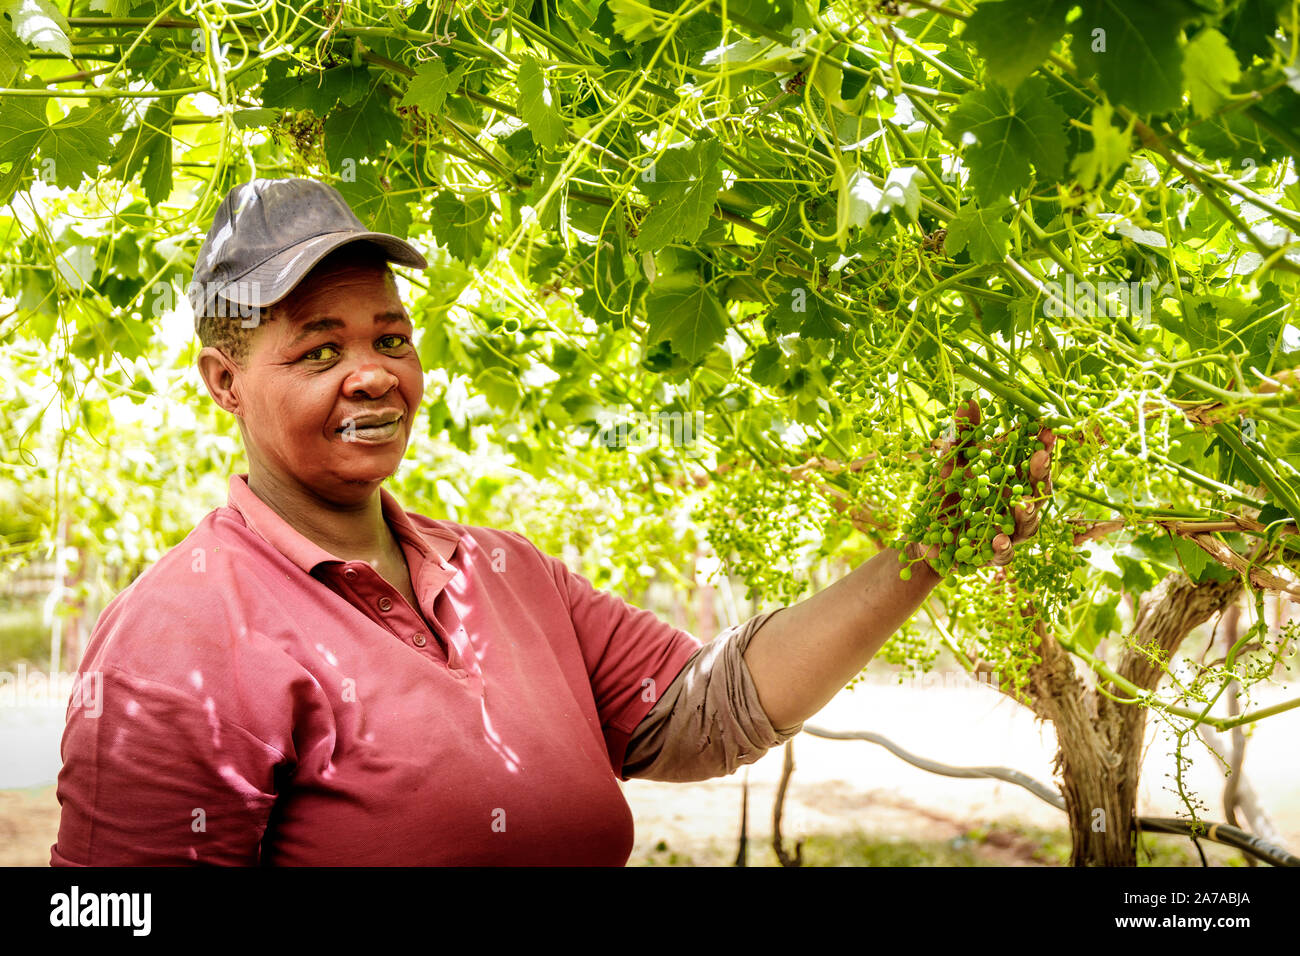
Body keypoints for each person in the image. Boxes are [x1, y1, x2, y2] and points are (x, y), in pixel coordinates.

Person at [50, 178, 1054, 865]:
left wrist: (917, 557)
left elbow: (703, 713)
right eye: (318, 350)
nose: (373, 371)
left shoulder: (505, 571)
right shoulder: (181, 636)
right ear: (223, 381)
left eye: (390, 335)